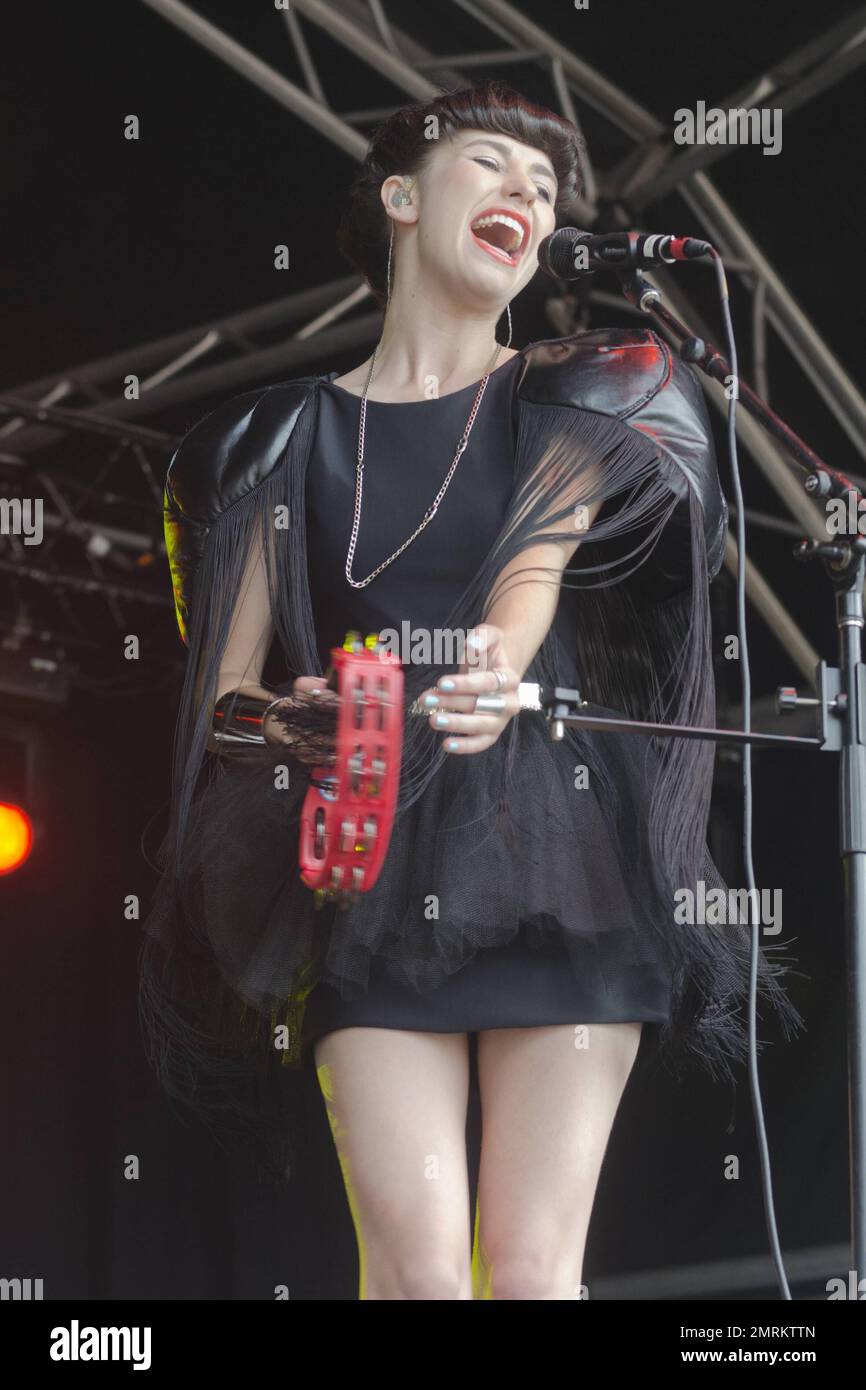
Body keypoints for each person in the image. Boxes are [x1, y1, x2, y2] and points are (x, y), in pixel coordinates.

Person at [139, 80, 802, 1300]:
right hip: (368, 858)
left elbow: (525, 586)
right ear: (400, 198)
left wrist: (490, 667)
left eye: (544, 189)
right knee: (413, 1275)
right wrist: (299, 715)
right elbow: (226, 701)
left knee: (536, 1272)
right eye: (490, 163)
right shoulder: (275, 441)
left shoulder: (573, 389)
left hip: (558, 862)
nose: (525, 195)